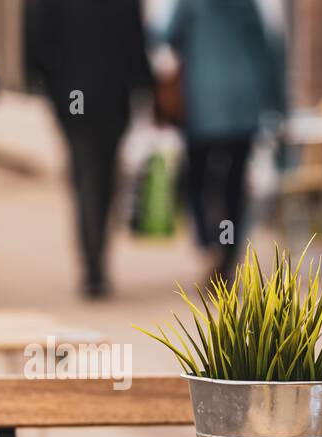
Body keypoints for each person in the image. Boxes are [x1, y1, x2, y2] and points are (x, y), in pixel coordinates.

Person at [26, 0, 151, 298]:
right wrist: (143, 85)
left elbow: (34, 43)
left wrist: (47, 84)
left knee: (86, 175)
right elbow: (135, 40)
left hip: (73, 96)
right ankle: (95, 259)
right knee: (102, 177)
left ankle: (93, 261)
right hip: (110, 97)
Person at [158, 0, 287, 281]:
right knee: (234, 185)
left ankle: (208, 239)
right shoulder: (249, 6)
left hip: (202, 104)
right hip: (243, 105)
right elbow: (267, 52)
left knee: (197, 179)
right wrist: (278, 104)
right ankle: (227, 252)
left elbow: (168, 36)